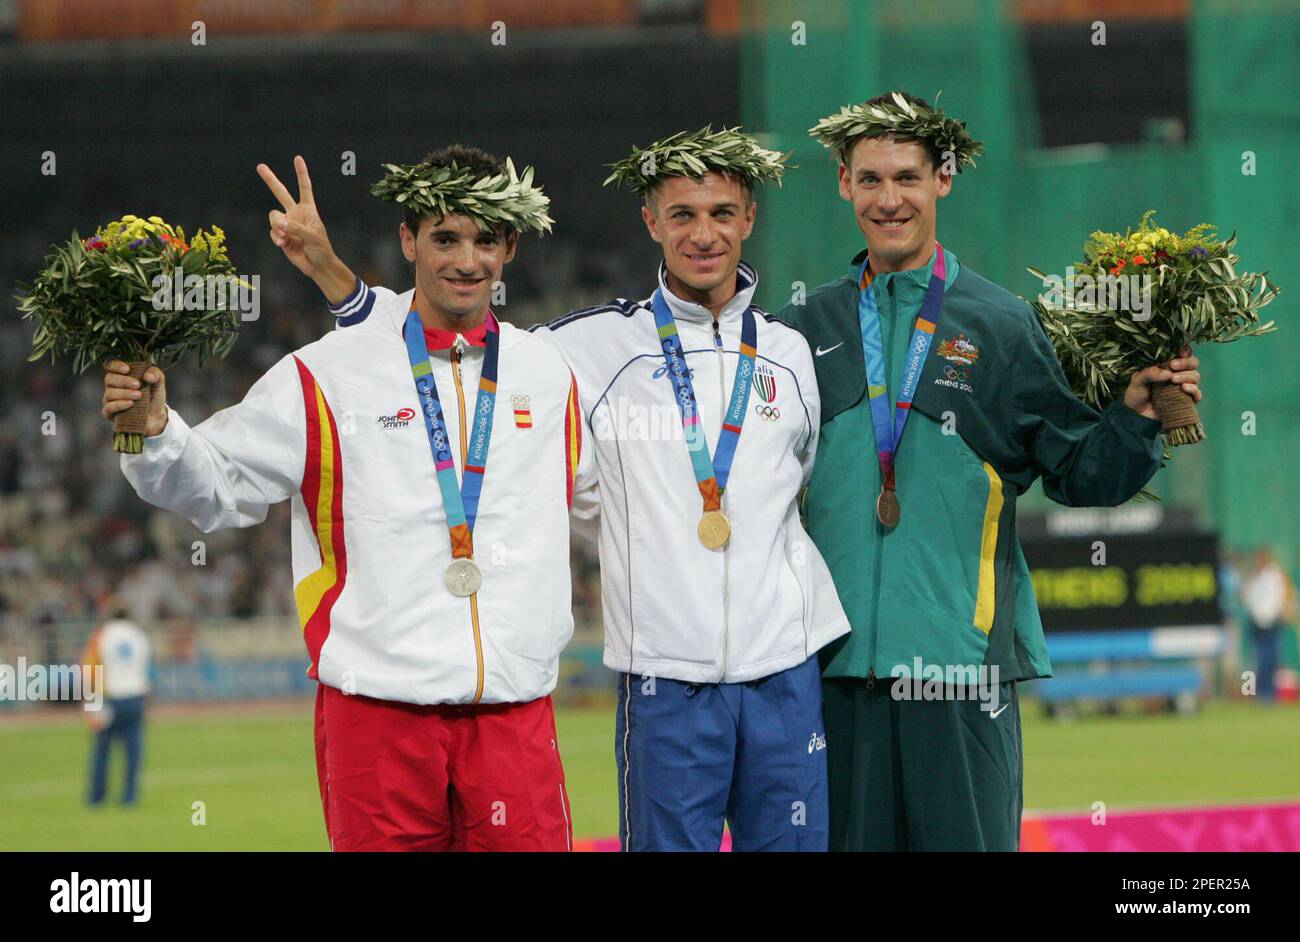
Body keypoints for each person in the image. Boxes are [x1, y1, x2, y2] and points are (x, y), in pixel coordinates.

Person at [289, 127, 850, 852]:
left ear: (748, 219)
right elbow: (455, 334)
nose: (703, 234)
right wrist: (337, 279)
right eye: (681, 214)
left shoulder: (789, 354)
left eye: (721, 213)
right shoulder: (584, 346)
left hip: (785, 668)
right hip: (665, 676)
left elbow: (797, 485)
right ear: (651, 222)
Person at [103, 146, 589, 851]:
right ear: (408, 241)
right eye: (445, 238)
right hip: (377, 715)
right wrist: (153, 434)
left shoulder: (549, 374)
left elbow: (605, 497)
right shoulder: (326, 373)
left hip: (515, 713)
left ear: (511, 246)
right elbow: (215, 485)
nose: (466, 260)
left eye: (486, 240)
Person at [782, 91, 1205, 851]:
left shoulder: (1002, 324)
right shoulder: (802, 329)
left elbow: (1078, 472)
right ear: (844, 183)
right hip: (831, 672)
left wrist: (1136, 416)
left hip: (962, 669)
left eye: (907, 178)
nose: (888, 199)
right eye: (870, 179)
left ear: (942, 179)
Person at [83, 602, 150, 807]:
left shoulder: (101, 635)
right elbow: (144, 667)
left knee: (102, 748)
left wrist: (91, 701)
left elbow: (90, 669)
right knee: (133, 749)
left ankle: (97, 797)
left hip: (110, 696)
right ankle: (130, 796)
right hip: (136, 696)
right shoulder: (140, 635)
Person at [1240, 547, 1292, 701]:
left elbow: (1283, 595)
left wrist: (1283, 611)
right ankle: (1253, 692)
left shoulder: (1275, 575)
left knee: (1271, 658)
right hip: (1256, 622)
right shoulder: (1253, 577)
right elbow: (1245, 596)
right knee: (1257, 658)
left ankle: (1268, 693)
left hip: (1273, 621)